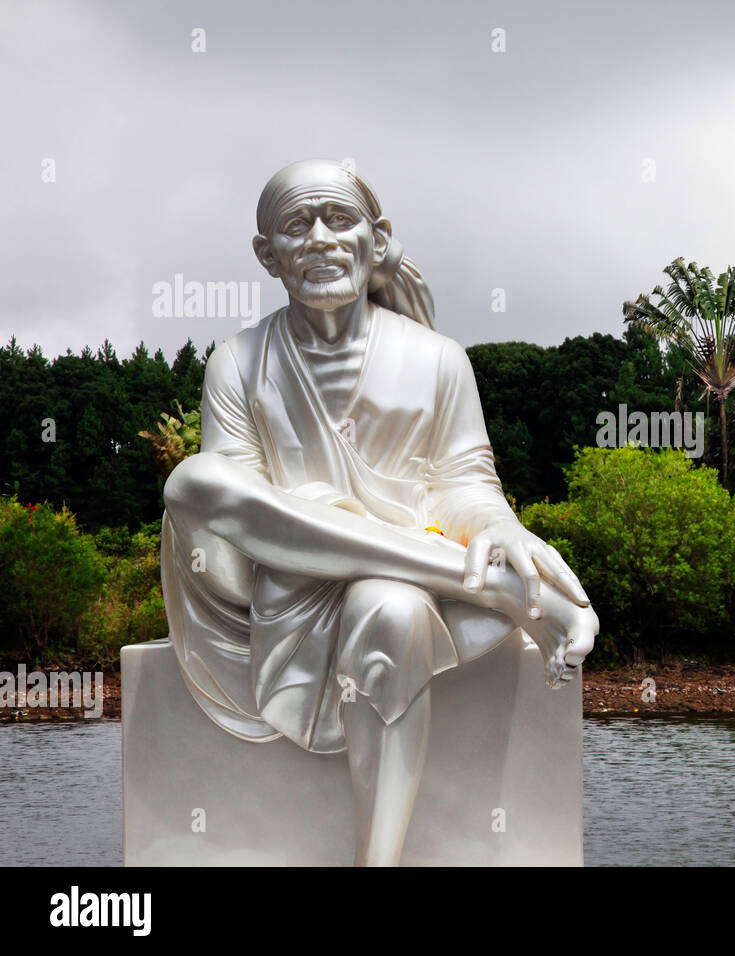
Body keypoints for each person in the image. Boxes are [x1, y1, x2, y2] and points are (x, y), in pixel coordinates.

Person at [160, 159, 598, 865]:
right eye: (297, 226)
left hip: (401, 583)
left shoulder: (437, 359)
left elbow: (463, 482)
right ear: (267, 254)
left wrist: (498, 527)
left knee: (389, 608)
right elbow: (245, 509)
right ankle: (500, 590)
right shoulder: (237, 363)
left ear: (378, 235)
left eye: (340, 219)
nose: (321, 240)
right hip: (278, 583)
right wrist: (313, 508)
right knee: (194, 480)